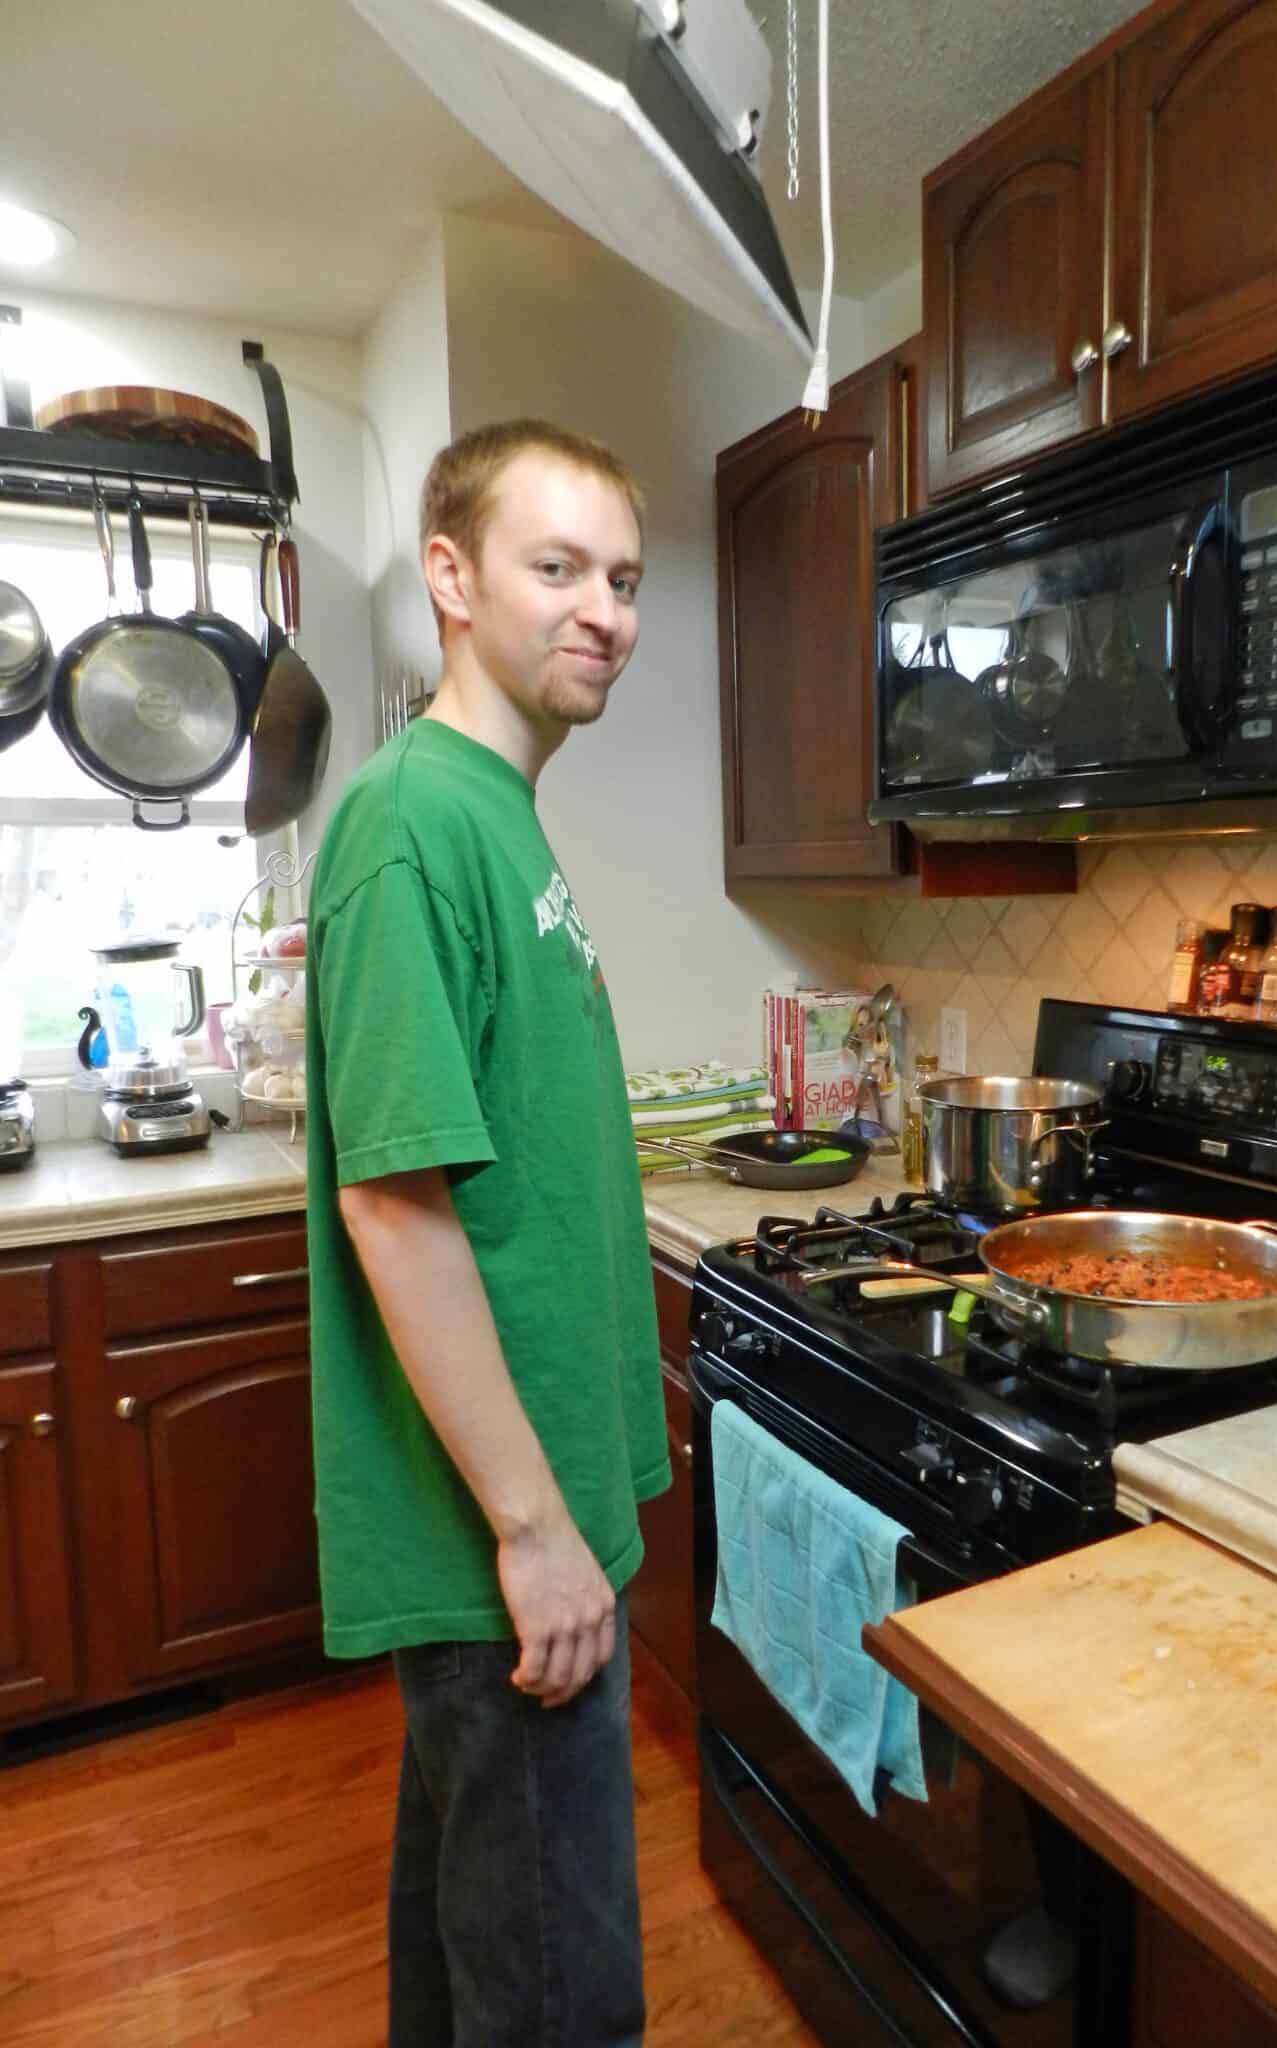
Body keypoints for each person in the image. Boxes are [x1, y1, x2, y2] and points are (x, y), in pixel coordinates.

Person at [304, 419, 670, 2047]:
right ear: (451, 578)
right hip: (498, 1540)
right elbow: (394, 1203)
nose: (604, 609)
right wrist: (532, 1530)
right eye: (558, 566)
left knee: (475, 1949)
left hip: (532, 1510)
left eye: (625, 577)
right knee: (557, 1993)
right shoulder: (411, 826)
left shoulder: (496, 811)